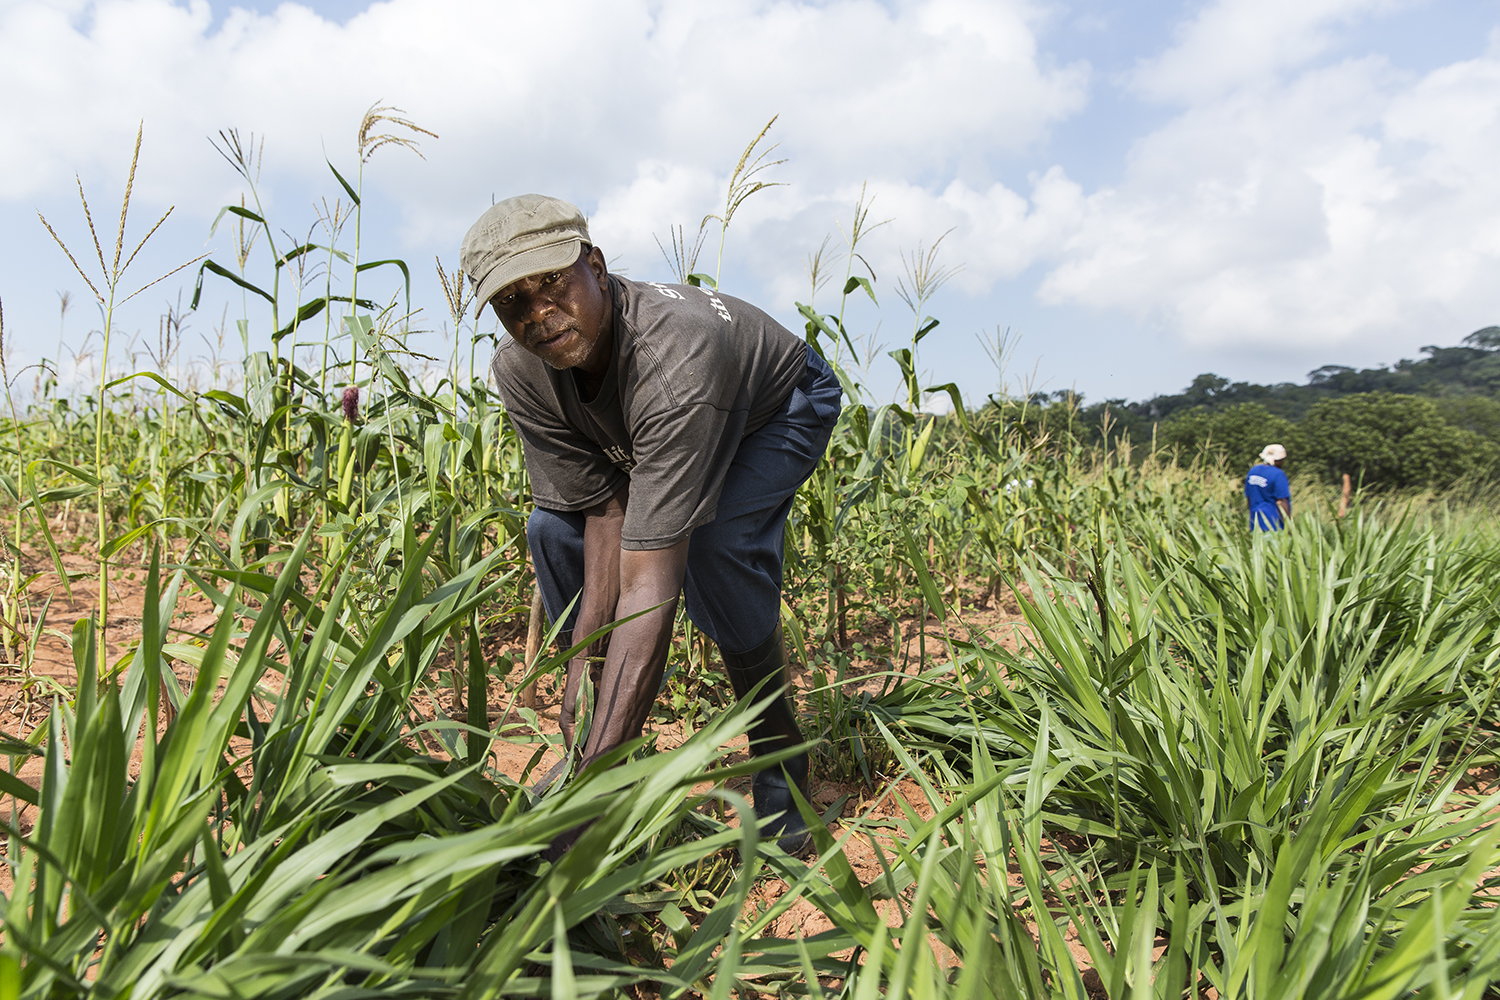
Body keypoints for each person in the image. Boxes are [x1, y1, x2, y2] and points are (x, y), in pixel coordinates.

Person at [460, 194, 842, 854]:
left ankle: (781, 772)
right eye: (512, 301)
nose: (538, 314)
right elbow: (605, 512)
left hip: (776, 408)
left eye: (552, 283)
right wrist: (582, 699)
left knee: (716, 546)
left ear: (596, 267)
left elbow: (646, 588)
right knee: (553, 532)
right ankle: (605, 756)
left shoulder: (672, 355)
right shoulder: (522, 369)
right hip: (671, 423)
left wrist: (588, 795)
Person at [1245, 443, 1292, 531]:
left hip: (1255, 525)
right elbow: (1281, 501)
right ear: (1279, 460)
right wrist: (1289, 528)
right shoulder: (1278, 474)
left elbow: (1249, 497)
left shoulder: (1253, 471)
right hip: (1273, 526)